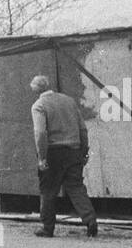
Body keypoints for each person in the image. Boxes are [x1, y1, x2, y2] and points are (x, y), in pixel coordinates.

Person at [30, 75, 98, 238]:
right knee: (76, 188)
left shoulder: (39, 105)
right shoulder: (69, 101)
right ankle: (90, 222)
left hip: (54, 153)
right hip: (74, 151)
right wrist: (84, 151)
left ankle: (48, 228)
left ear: (36, 90)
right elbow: (82, 129)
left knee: (48, 190)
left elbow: (40, 133)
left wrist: (42, 157)